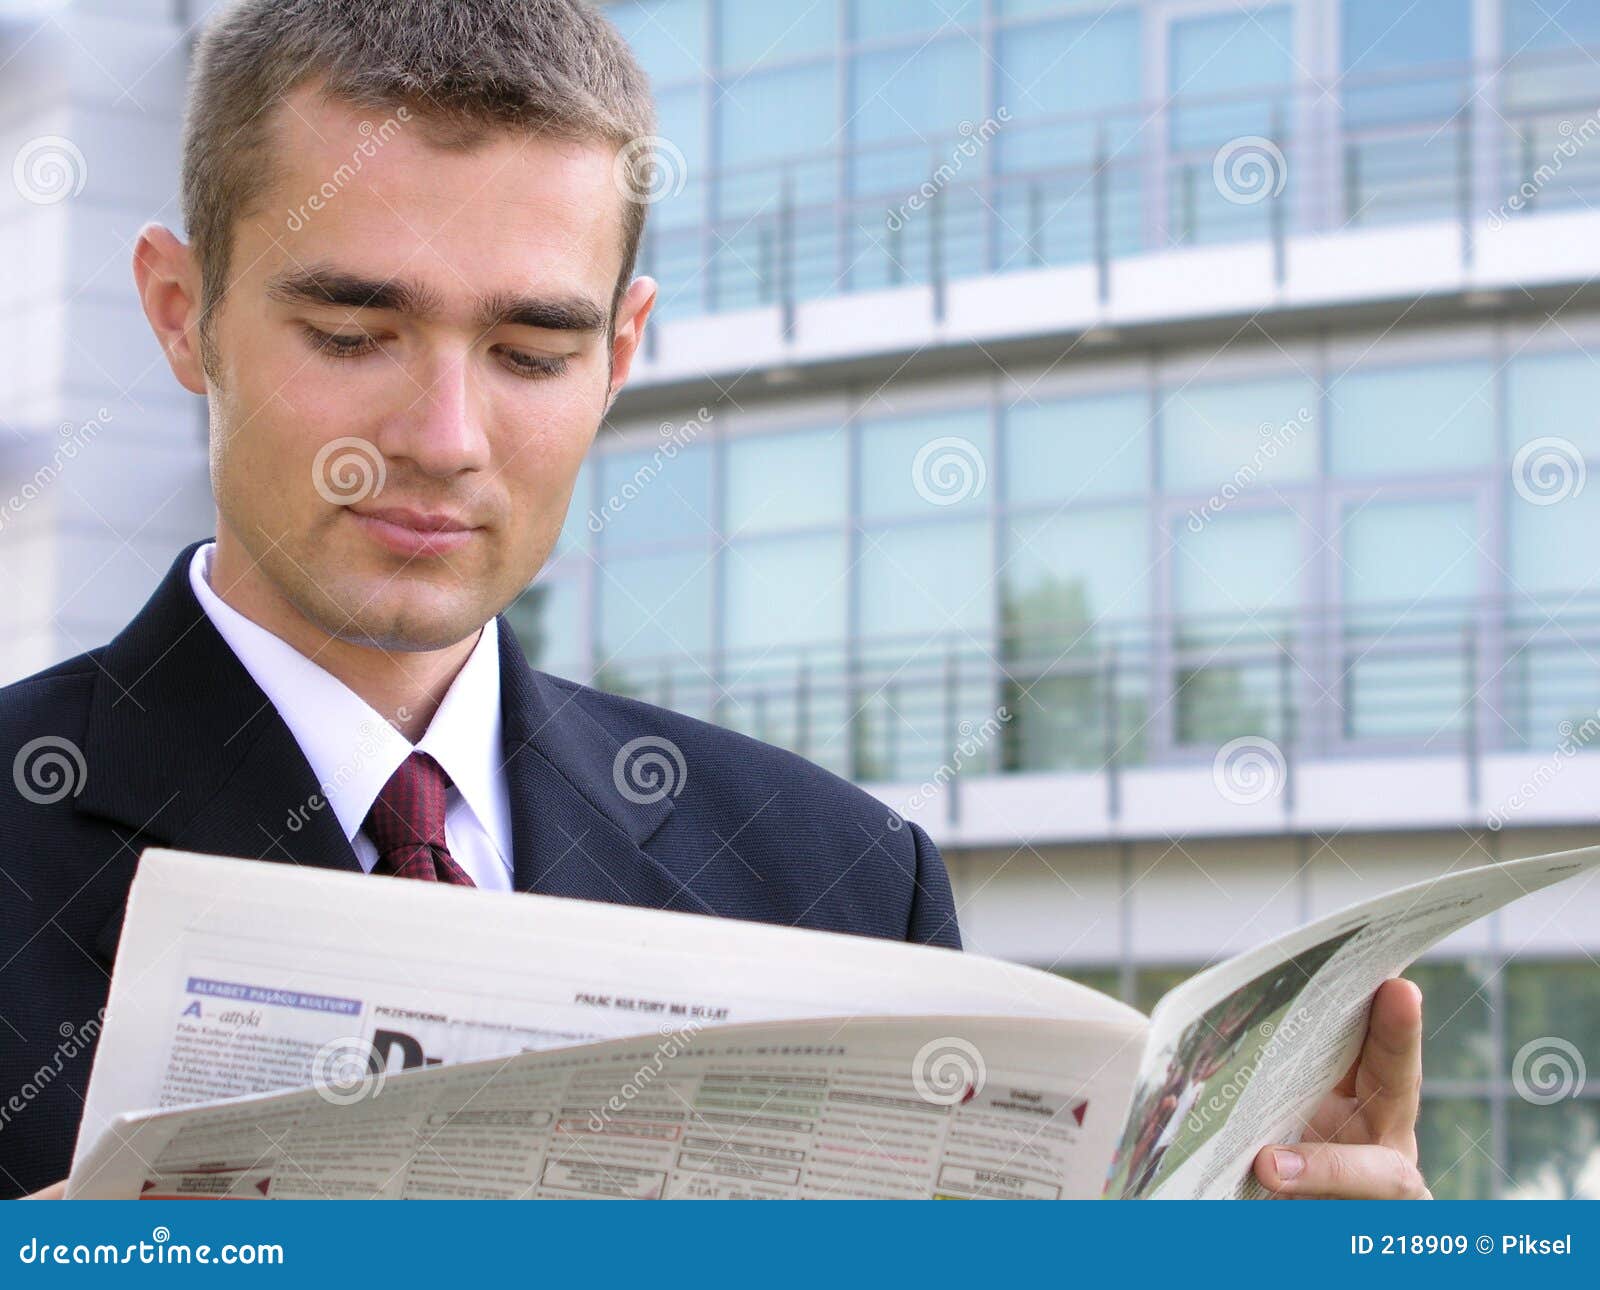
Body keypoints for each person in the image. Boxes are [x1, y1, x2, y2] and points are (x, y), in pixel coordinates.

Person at [0, 0, 1428, 1202]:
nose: (442, 437)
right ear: (181, 312)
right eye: (352, 332)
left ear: (622, 352)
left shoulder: (843, 884)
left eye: (531, 352)